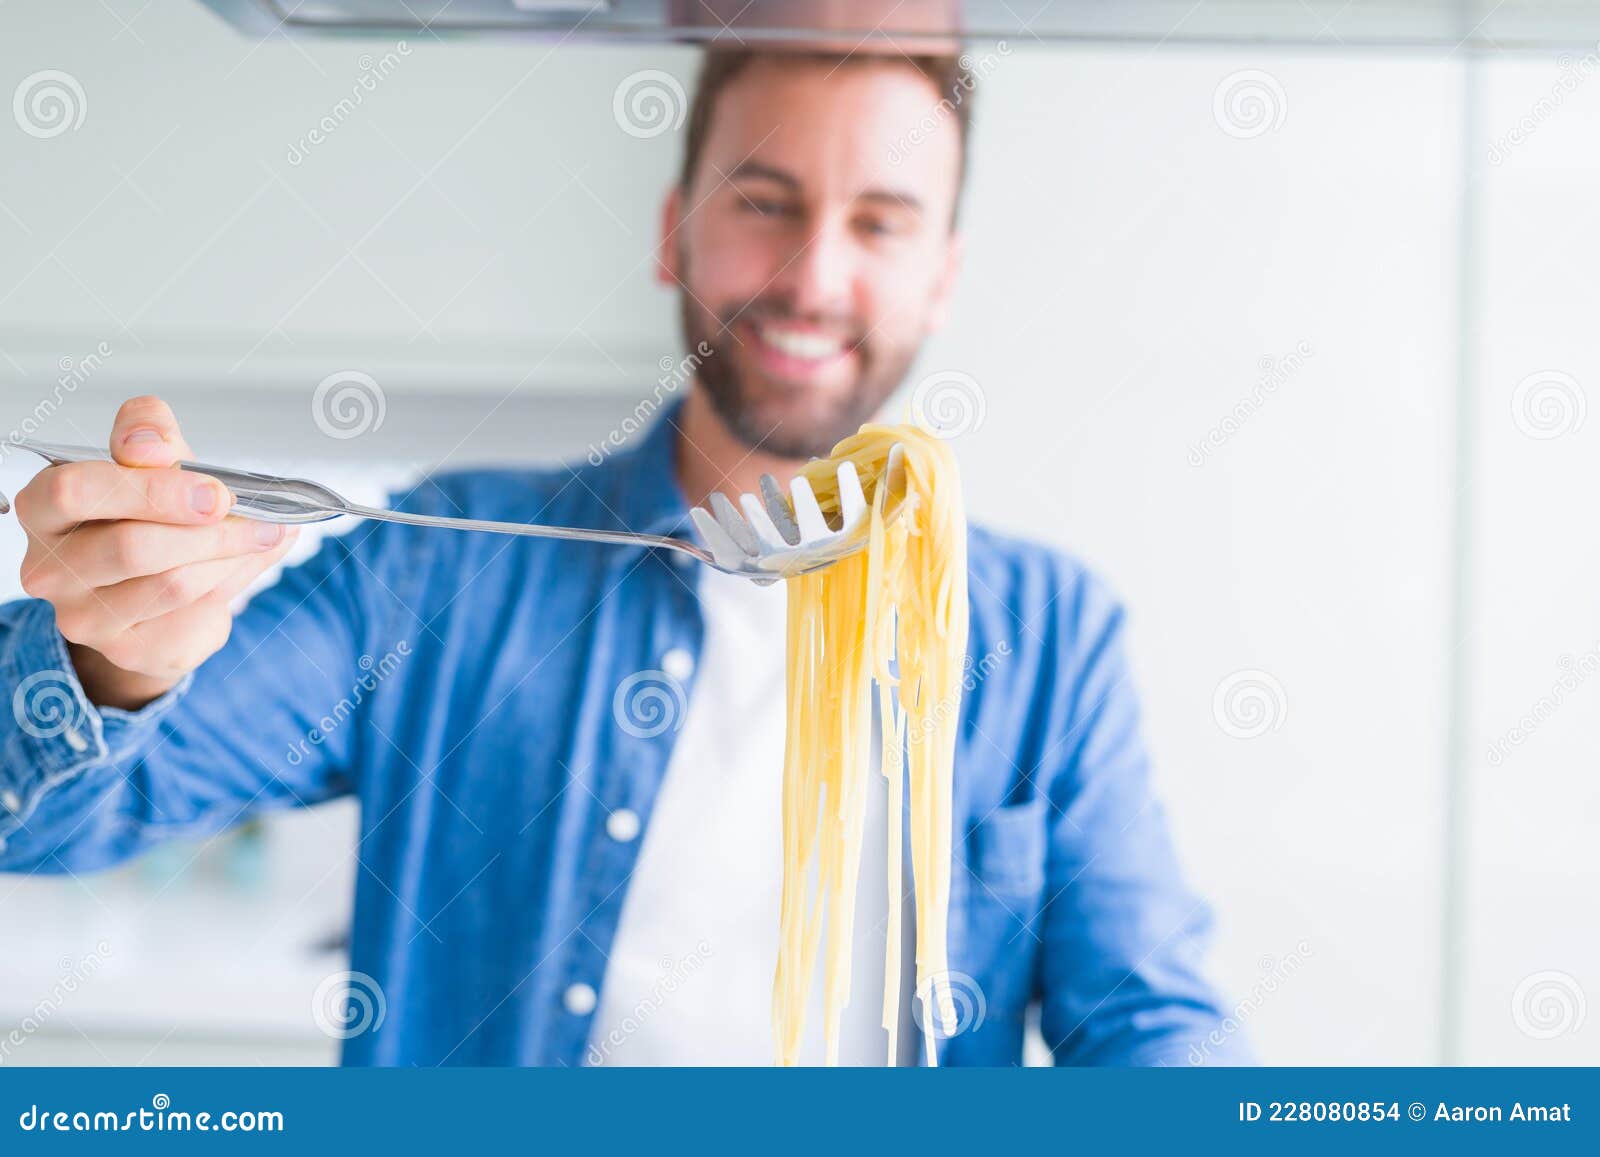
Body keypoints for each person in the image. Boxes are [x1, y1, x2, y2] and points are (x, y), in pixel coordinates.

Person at [0, 48, 1245, 1066]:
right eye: (764, 203)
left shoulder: (1047, 633)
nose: (814, 275)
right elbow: (58, 820)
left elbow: (1144, 1019)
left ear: (940, 279)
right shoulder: (436, 574)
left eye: (880, 221)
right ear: (672, 233)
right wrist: (111, 658)